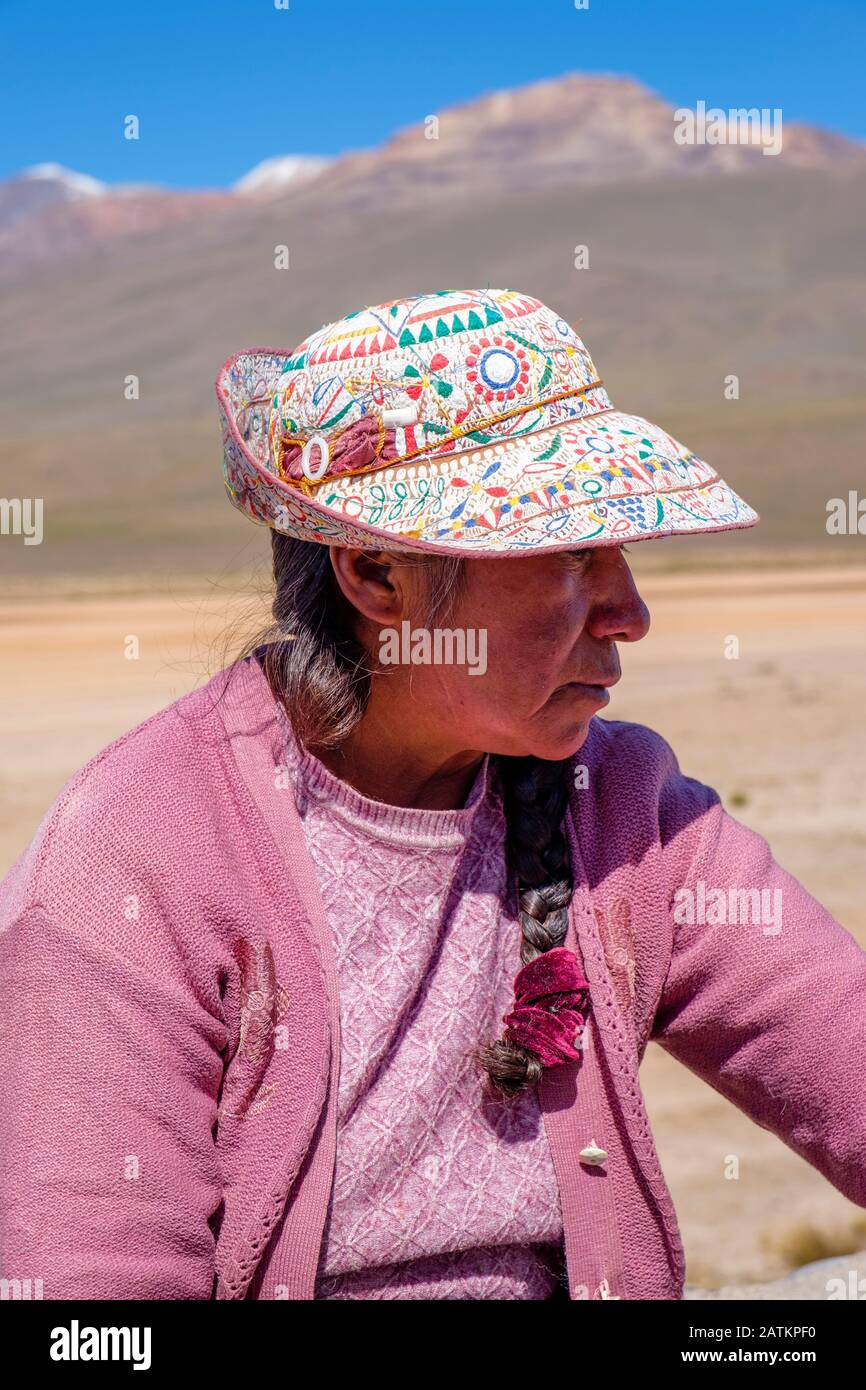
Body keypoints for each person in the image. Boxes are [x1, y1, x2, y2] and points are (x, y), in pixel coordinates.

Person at [1, 287, 864, 1301]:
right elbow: (92, 1308)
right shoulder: (140, 849)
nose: (629, 610)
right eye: (570, 553)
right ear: (375, 577)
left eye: (618, 552)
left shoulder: (624, 806)